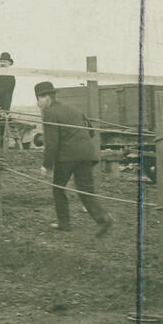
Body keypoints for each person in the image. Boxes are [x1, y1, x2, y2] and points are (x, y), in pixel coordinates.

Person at [35, 80, 113, 236]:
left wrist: (46, 165)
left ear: (47, 98)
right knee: (86, 190)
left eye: (38, 99)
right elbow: (90, 131)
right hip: (86, 154)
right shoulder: (72, 109)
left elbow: (52, 143)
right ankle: (103, 219)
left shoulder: (49, 113)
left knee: (58, 188)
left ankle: (64, 223)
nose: (38, 103)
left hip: (67, 157)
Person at [0, 52, 17, 150]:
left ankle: (1, 146)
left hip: (3, 105)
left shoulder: (9, 76)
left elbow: (0, 91)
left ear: (9, 63)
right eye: (1, 61)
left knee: (0, 126)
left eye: (5, 61)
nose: (2, 63)